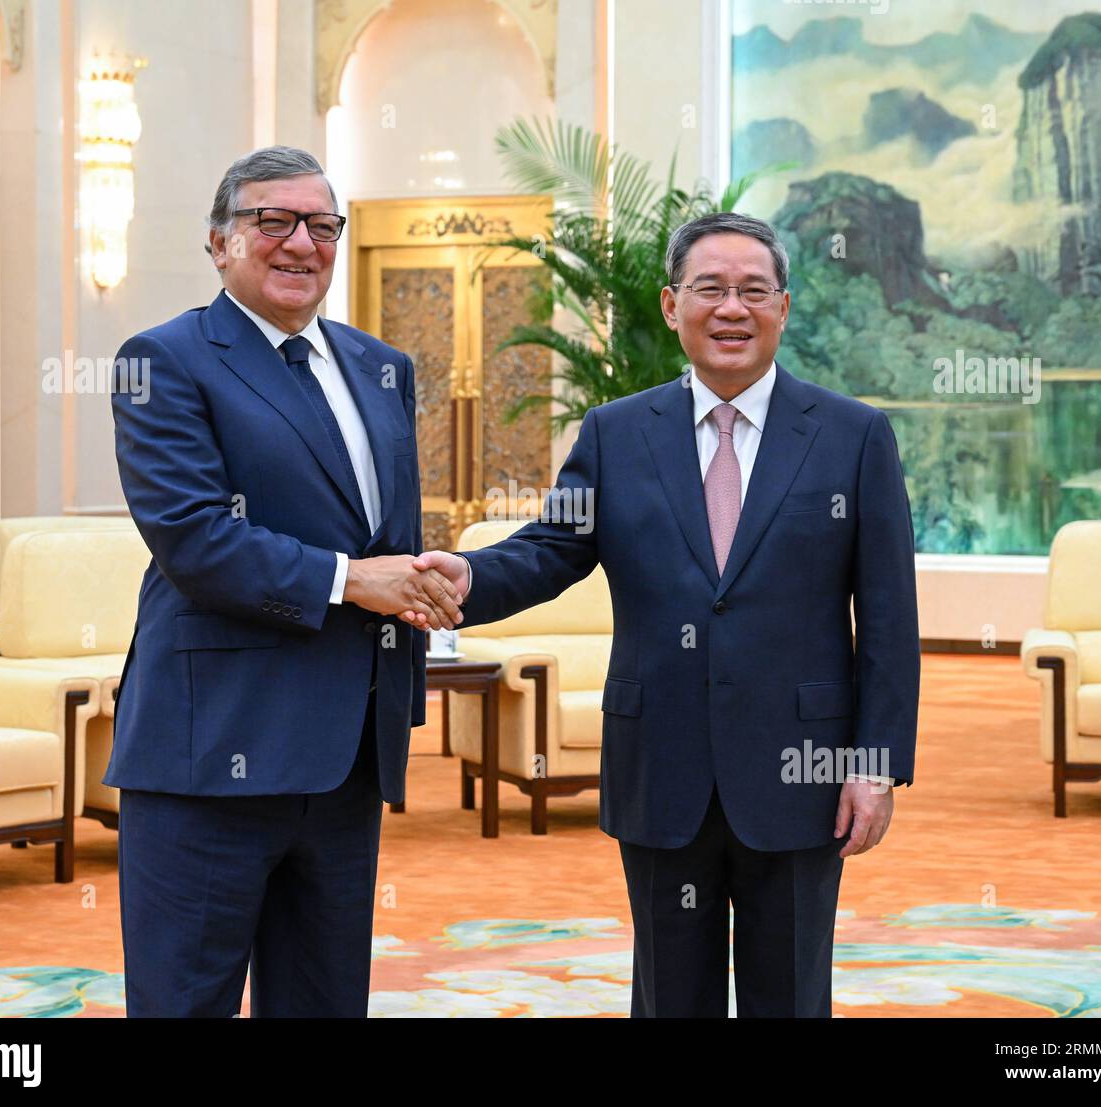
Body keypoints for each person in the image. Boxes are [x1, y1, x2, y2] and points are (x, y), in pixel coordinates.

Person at [408, 212, 920, 1018]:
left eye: (754, 290)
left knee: (790, 994)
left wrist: (873, 763)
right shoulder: (616, 434)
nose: (731, 308)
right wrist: (465, 575)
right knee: (668, 997)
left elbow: (889, 615)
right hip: (662, 764)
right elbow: (550, 548)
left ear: (783, 308)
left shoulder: (853, 437)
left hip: (802, 772)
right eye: (709, 288)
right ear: (670, 304)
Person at [108, 145, 462, 1017]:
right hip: (211, 754)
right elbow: (195, 539)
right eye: (274, 220)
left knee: (324, 1003)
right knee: (185, 1004)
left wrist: (418, 592)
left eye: (323, 224)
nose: (301, 242)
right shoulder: (162, 360)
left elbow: (389, 537)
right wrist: (351, 581)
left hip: (344, 761)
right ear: (220, 242)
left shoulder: (383, 368)